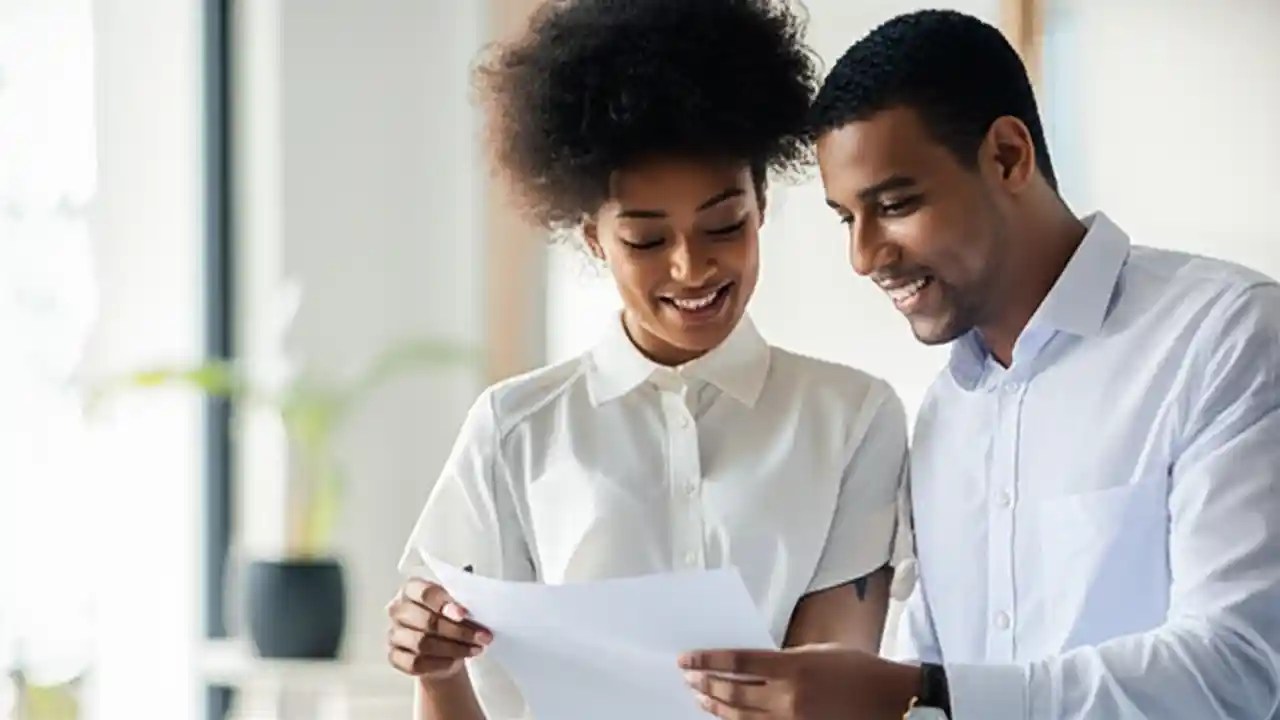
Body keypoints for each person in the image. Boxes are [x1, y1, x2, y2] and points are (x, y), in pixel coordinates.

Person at [682, 8, 1280, 720]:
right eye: (849, 218)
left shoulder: (1225, 335)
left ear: (1007, 156)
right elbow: (942, 676)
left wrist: (922, 694)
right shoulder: (944, 414)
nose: (865, 256)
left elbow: (1238, 671)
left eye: (895, 204)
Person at [385, 2, 913, 718]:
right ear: (594, 238)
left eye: (724, 225)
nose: (692, 268)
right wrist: (436, 672)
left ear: (762, 200)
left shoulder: (851, 418)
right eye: (645, 240)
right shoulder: (514, 432)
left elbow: (828, 696)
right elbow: (462, 688)